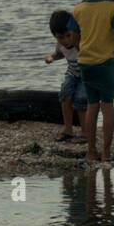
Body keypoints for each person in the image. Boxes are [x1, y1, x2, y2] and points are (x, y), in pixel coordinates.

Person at [68, 0, 114, 163]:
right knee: (108, 105)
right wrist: (113, 54)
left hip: (86, 63)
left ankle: (91, 151)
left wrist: (84, 51)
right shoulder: (112, 8)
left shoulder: (77, 10)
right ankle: (106, 152)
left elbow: (74, 38)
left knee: (92, 105)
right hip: (106, 63)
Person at [45, 9, 87, 142]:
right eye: (61, 37)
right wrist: (51, 57)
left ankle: (85, 132)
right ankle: (68, 128)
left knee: (80, 99)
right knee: (65, 94)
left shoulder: (80, 40)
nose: (66, 40)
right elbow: (60, 54)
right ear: (55, 36)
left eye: (69, 35)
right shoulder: (61, 45)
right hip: (72, 73)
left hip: (85, 75)